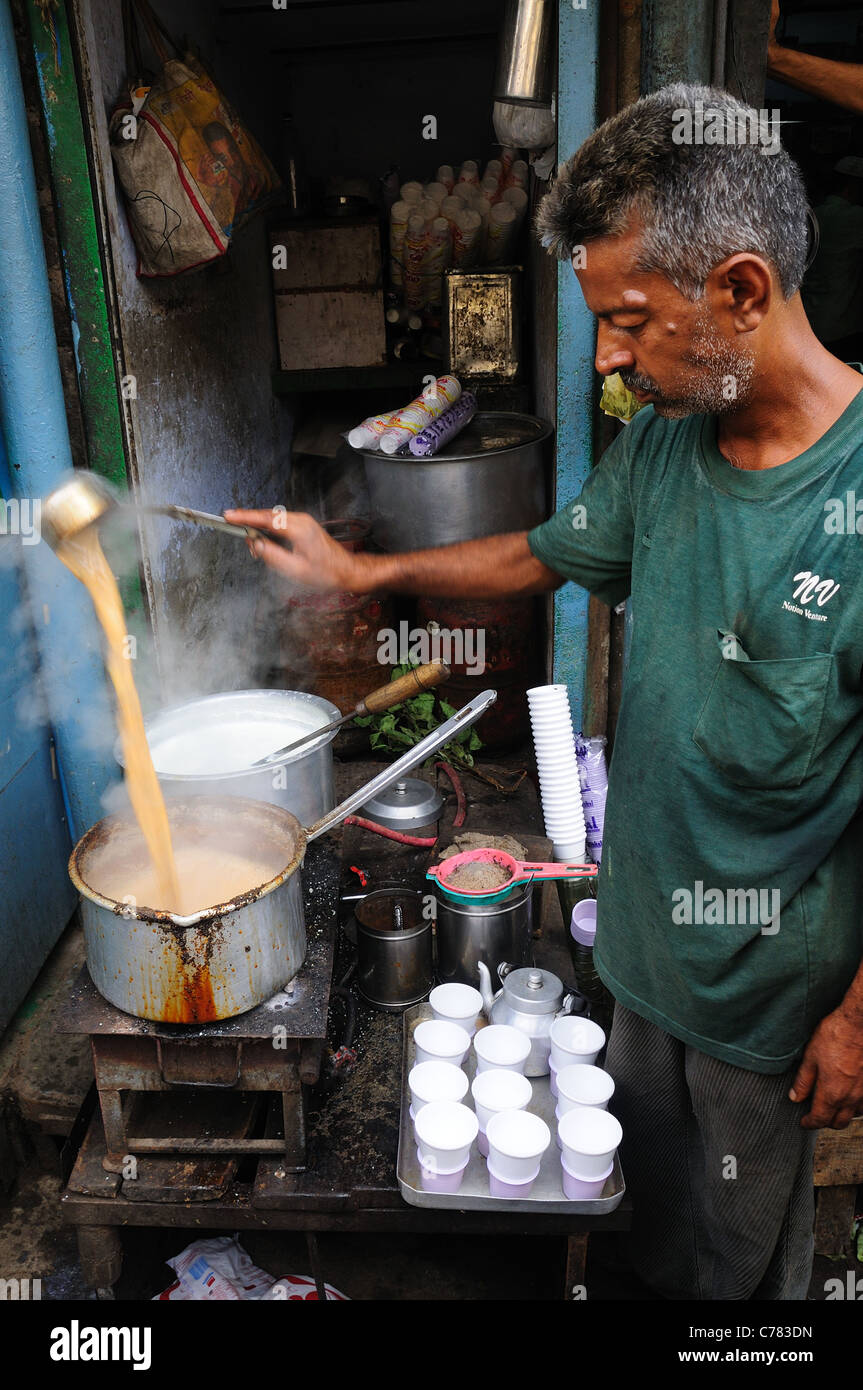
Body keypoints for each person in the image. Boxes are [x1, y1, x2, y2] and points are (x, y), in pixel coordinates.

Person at [226, 84, 863, 1301]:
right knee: (633, 1224)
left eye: (626, 319)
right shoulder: (671, 443)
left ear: (738, 289)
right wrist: (365, 568)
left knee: (732, 1281)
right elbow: (544, 550)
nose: (606, 358)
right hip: (634, 963)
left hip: (767, 1009)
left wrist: (853, 1020)